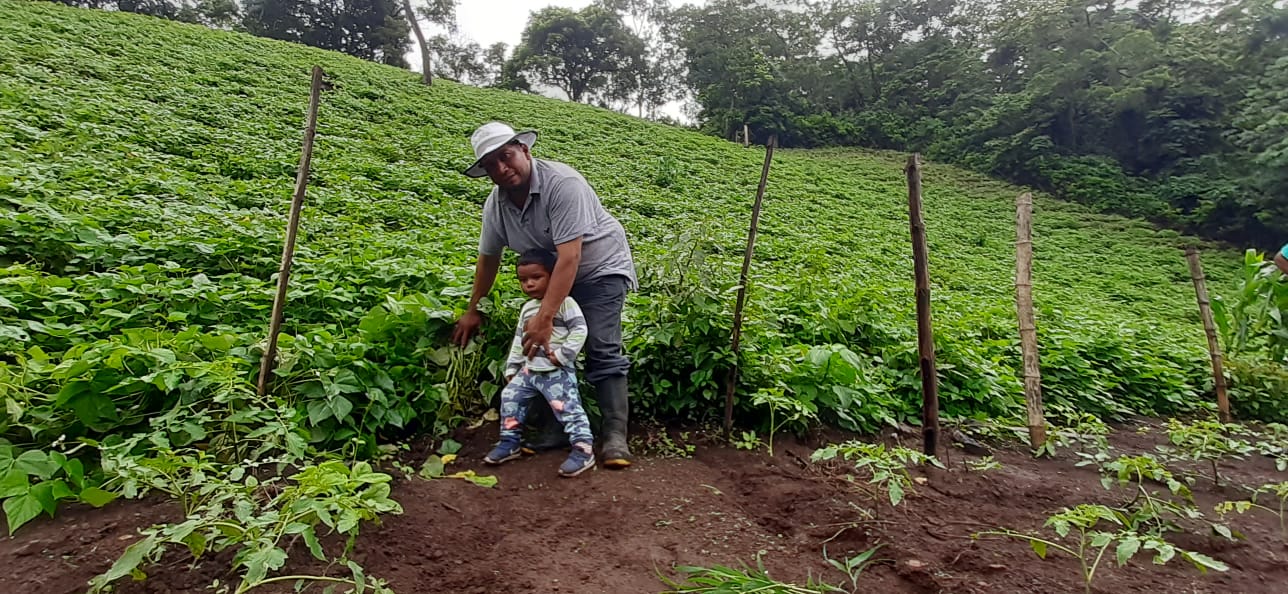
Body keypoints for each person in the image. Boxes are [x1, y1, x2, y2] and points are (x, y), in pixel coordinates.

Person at [452, 121, 636, 469]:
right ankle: (559, 428)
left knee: (599, 343)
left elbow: (571, 257)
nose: (501, 169)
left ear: (524, 150)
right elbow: (488, 259)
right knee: (544, 347)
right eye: (490, 165)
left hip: (599, 268)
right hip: (554, 273)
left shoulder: (563, 184)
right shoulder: (496, 205)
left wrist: (545, 316)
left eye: (506, 156)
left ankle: (614, 434)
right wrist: (473, 309)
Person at [484, 250, 595, 477]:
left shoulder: (566, 303)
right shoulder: (527, 308)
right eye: (523, 280)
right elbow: (520, 339)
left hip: (555, 371)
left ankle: (583, 450)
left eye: (536, 277)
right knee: (510, 398)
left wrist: (563, 355)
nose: (529, 284)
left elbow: (580, 330)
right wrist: (513, 366)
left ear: (553, 276)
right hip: (529, 370)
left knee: (568, 409)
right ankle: (509, 442)